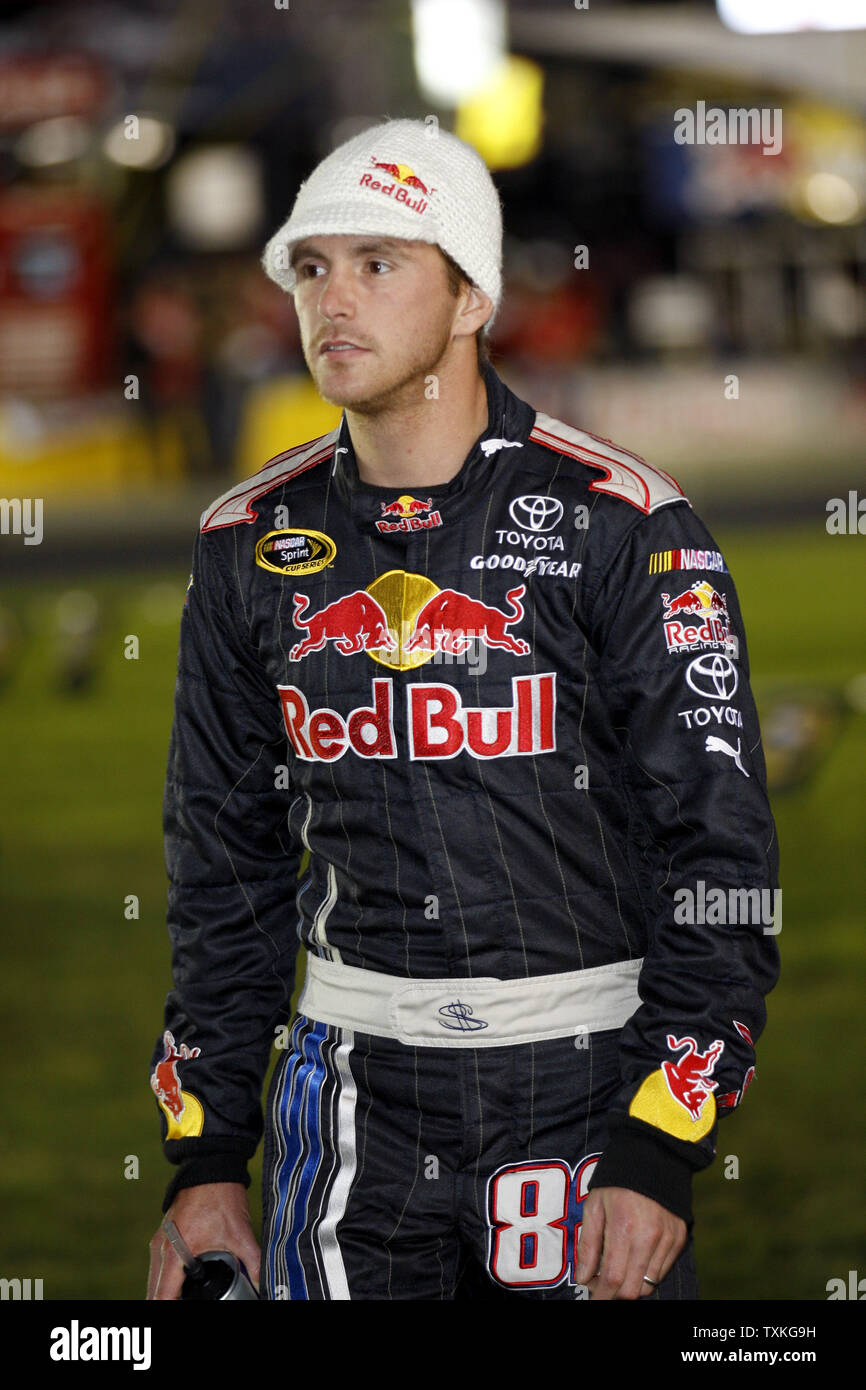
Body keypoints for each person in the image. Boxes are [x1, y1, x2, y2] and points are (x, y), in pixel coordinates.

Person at [147, 118, 779, 1301]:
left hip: (588, 1088)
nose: (332, 299)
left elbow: (721, 858)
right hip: (345, 1097)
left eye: (379, 263)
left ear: (470, 297)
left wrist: (660, 1143)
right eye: (311, 267)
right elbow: (221, 873)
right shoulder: (244, 545)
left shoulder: (626, 524)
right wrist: (205, 1153)